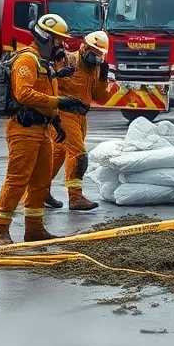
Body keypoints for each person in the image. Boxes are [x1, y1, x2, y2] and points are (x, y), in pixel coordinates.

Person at [0, 13, 87, 245]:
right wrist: (60, 103)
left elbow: (47, 94)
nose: (62, 46)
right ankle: (0, 230)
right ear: (45, 37)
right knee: (17, 180)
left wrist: (56, 121)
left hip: (42, 129)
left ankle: (34, 229)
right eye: (58, 40)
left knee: (41, 182)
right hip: (23, 129)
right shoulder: (27, 60)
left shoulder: (45, 64)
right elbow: (23, 94)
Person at [46, 30, 111, 211]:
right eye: (93, 51)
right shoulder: (68, 60)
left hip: (81, 116)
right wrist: (57, 68)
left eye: (100, 54)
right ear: (84, 46)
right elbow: (49, 79)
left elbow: (101, 99)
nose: (96, 56)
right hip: (64, 113)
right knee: (79, 155)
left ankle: (40, 190)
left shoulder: (97, 69)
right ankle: (75, 197)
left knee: (57, 156)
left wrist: (103, 79)